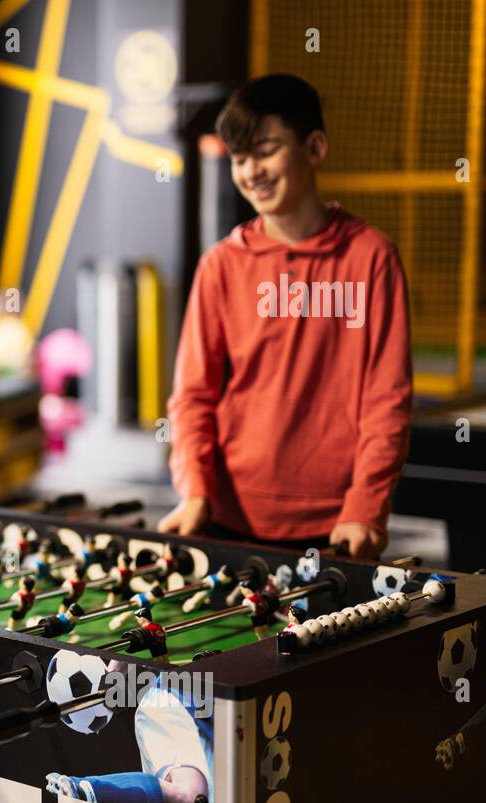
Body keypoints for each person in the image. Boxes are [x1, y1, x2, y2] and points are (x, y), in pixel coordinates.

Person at [160, 74, 412, 559]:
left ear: (314, 148)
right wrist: (194, 489)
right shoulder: (221, 265)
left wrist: (365, 506)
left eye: (266, 150)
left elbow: (388, 400)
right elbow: (192, 396)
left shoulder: (372, 257)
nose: (251, 170)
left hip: (338, 527)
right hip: (224, 520)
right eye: (238, 158)